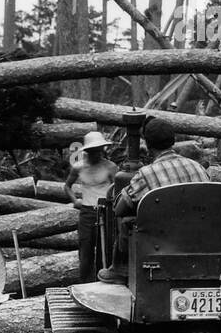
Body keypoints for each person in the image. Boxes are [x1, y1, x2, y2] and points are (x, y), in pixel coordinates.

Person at [96, 117, 209, 284]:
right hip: (200, 239)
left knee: (126, 220)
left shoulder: (147, 174)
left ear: (148, 146)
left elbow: (119, 209)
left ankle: (121, 270)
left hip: (162, 242)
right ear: (173, 140)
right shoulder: (197, 167)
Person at [64, 131, 118, 283]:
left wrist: (114, 205)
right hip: (87, 211)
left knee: (105, 249)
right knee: (86, 249)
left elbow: (119, 189)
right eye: (92, 151)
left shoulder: (111, 167)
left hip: (106, 211)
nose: (95, 154)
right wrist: (75, 201)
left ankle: (103, 281)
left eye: (98, 150)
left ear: (102, 150)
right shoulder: (78, 167)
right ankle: (85, 283)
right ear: (86, 151)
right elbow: (67, 186)